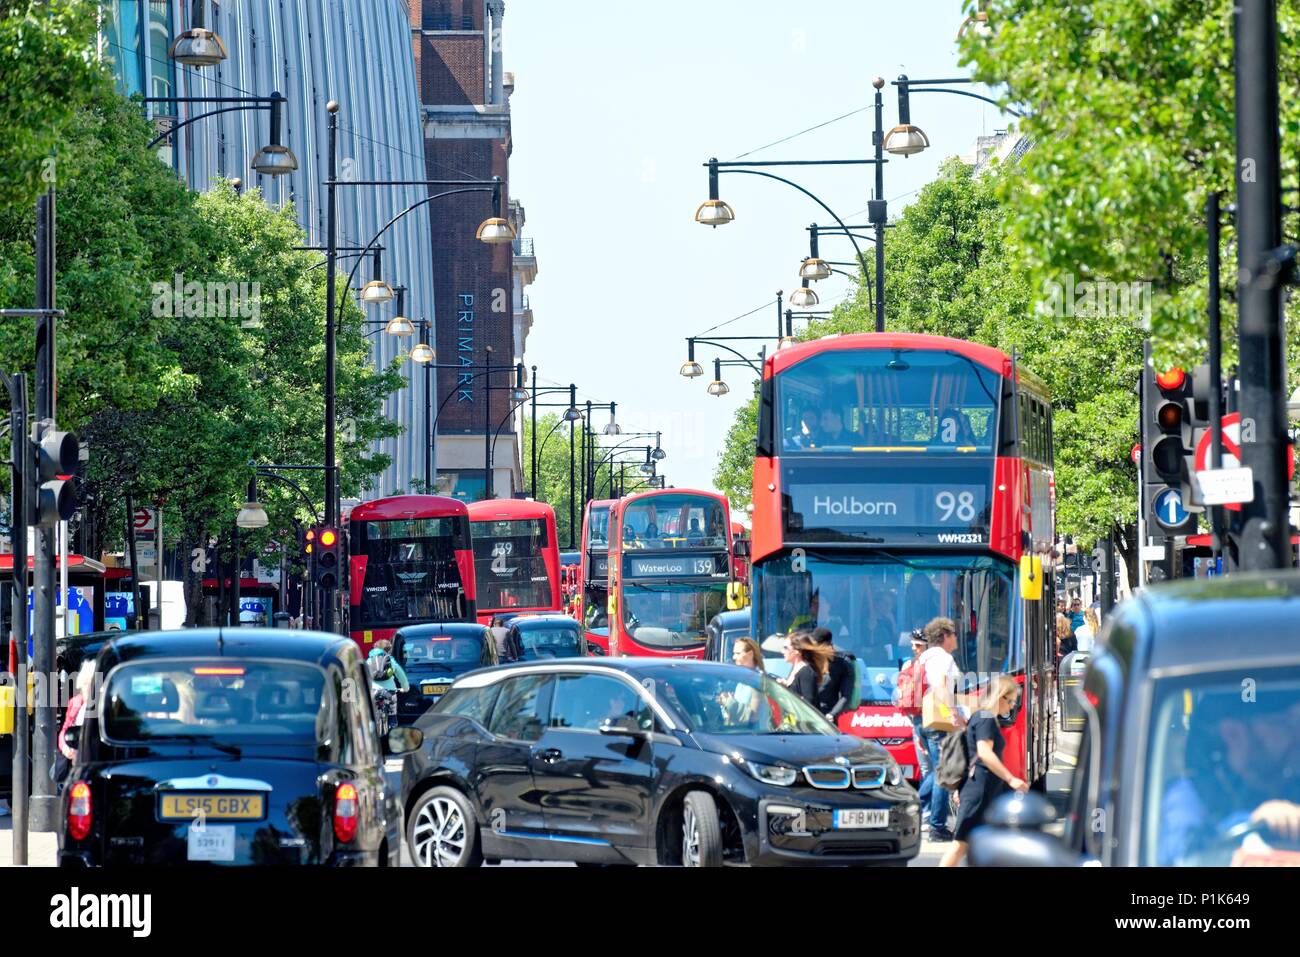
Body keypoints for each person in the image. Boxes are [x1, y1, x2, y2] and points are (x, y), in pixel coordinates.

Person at [1157, 692, 1300, 866]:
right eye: (1280, 722)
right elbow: (1180, 858)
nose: (1296, 734)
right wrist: (1252, 824)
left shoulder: (1290, 787)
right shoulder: (1187, 797)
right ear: (1234, 733)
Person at [939, 674, 1029, 867]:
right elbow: (984, 753)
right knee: (960, 845)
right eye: (1011, 700)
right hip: (979, 791)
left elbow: (970, 753)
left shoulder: (981, 716)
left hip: (983, 790)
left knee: (979, 846)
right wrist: (1011, 779)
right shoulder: (985, 718)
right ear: (1000, 696)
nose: (1013, 705)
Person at [915, 616, 967, 842]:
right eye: (954, 634)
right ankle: (937, 826)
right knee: (943, 772)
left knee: (937, 771)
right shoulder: (941, 658)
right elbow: (940, 686)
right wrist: (954, 713)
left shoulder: (924, 657)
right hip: (939, 720)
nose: (956, 638)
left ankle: (912, 807)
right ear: (945, 636)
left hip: (925, 720)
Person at [55, 660, 97, 790]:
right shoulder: (75, 702)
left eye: (91, 684)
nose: (87, 688)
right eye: (85, 684)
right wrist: (66, 748)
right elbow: (65, 730)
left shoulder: (102, 706)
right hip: (74, 764)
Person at [811, 626, 856, 723]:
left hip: (827, 717)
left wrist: (832, 714)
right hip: (807, 714)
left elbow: (846, 696)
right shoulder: (808, 660)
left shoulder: (843, 664)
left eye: (815, 646)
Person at [778, 632, 834, 707]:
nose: (782, 651)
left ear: (797, 651)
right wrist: (786, 685)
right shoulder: (795, 668)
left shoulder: (806, 673)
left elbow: (809, 705)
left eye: (786, 648)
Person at [720, 637, 766, 725]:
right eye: (734, 653)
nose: (733, 657)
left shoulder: (757, 680)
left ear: (750, 654)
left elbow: (754, 716)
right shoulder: (744, 680)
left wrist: (729, 702)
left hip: (754, 736)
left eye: (738, 653)